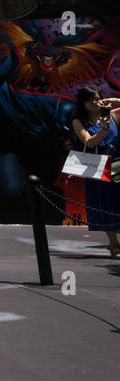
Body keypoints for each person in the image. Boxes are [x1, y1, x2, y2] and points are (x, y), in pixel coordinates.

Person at [70, 87, 120, 259]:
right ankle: (114, 244)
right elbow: (89, 142)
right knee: (106, 204)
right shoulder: (79, 121)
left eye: (98, 98)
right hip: (99, 165)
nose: (96, 103)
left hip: (117, 162)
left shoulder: (113, 114)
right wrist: (104, 129)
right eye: (91, 100)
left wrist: (114, 100)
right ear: (83, 103)